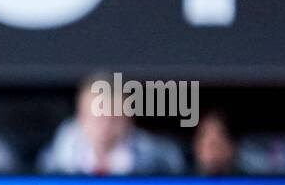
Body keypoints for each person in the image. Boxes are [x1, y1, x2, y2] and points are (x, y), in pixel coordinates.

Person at [37, 73, 185, 175]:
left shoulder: (160, 159)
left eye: (115, 118)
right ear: (81, 117)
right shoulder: (54, 160)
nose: (106, 126)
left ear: (129, 117)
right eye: (98, 118)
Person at [193, 111, 239, 176]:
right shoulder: (182, 181)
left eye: (219, 144)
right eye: (209, 145)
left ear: (232, 147)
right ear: (197, 148)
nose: (214, 151)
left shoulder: (249, 181)